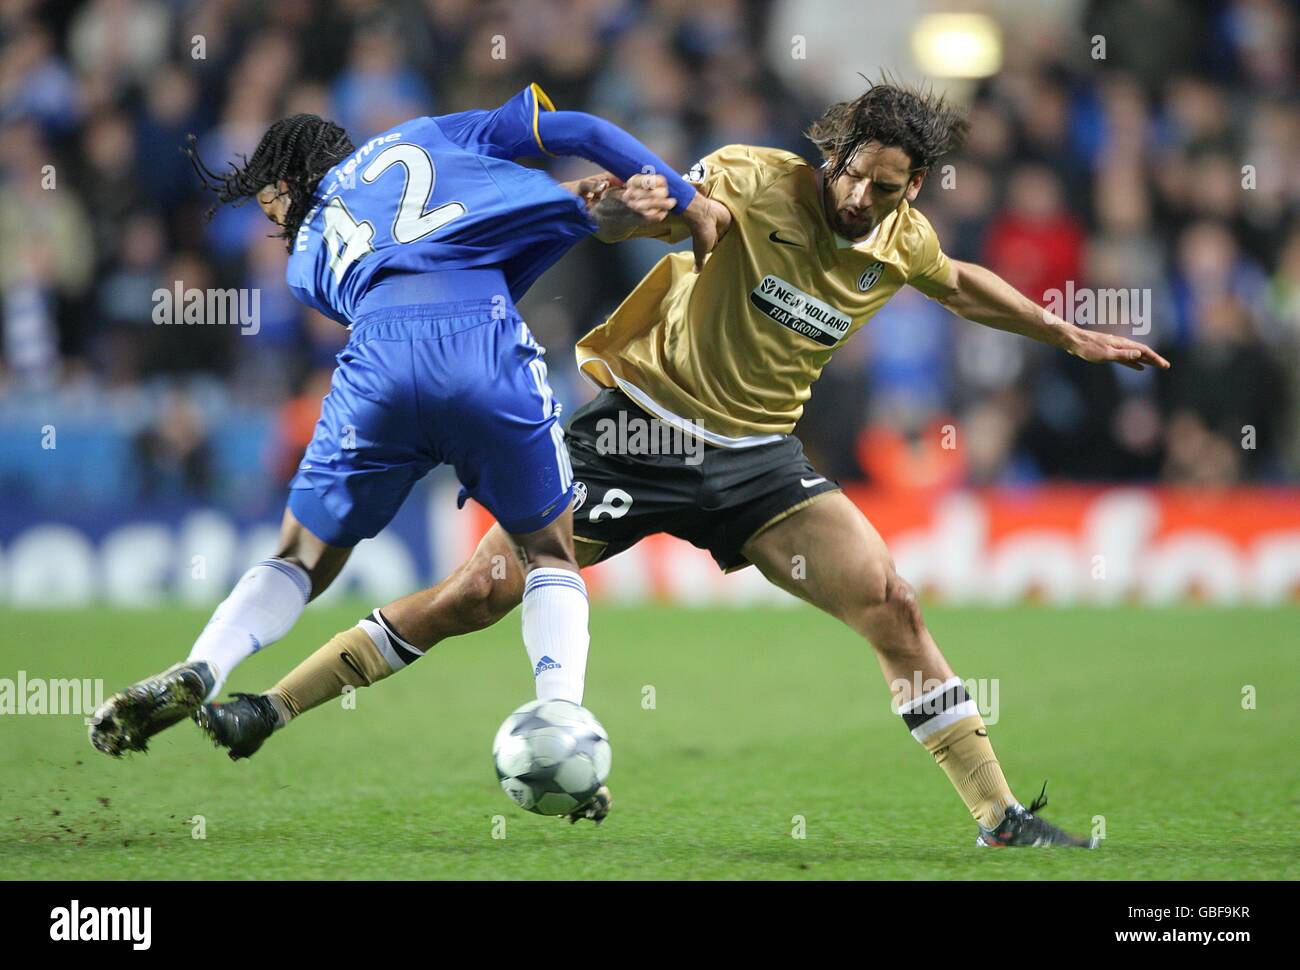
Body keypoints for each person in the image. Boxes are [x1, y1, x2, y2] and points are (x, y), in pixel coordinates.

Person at [196, 80, 1170, 845]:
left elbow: (956, 282)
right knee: (471, 596)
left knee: (894, 606)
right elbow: (653, 209)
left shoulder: (898, 240)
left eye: (886, 187)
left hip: (757, 464)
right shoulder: (751, 178)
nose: (859, 197)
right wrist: (640, 209)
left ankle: (1000, 818)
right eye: (852, 174)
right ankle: (270, 706)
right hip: (640, 431)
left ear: (913, 188)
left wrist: (1065, 334)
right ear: (828, 155)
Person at [89, 84, 727, 830]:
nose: (276, 228)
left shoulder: (305, 263)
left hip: (378, 365)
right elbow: (576, 131)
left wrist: (596, 209)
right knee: (549, 554)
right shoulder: (429, 134)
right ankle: (559, 716)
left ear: (289, 185)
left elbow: (408, 267)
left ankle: (205, 664)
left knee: (299, 557)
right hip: (478, 342)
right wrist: (674, 199)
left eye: (272, 211)